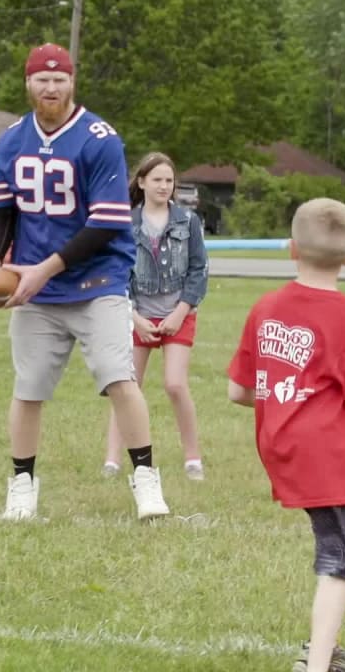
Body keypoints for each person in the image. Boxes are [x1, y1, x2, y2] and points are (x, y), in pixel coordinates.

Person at [0, 43, 170, 522]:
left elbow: (105, 223)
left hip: (95, 280)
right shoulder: (11, 140)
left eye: (59, 79)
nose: (51, 87)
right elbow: (3, 210)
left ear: (72, 82)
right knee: (28, 387)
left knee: (118, 376)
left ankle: (146, 478)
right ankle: (22, 484)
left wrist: (41, 270)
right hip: (36, 286)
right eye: (42, 79)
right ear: (28, 83)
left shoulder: (99, 138)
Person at [227, 198, 345, 672]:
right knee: (342, 559)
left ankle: (326, 649)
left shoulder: (266, 308)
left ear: (291, 249)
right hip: (330, 454)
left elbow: (239, 391)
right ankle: (318, 662)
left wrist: (288, 398)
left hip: (281, 446)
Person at [102, 152, 209, 480]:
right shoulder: (126, 222)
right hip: (138, 315)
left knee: (175, 384)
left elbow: (199, 270)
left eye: (169, 180)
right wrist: (134, 317)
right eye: (157, 179)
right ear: (142, 182)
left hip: (177, 313)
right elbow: (116, 273)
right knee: (127, 387)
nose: (164, 186)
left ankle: (193, 458)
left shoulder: (188, 221)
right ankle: (112, 460)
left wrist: (180, 312)